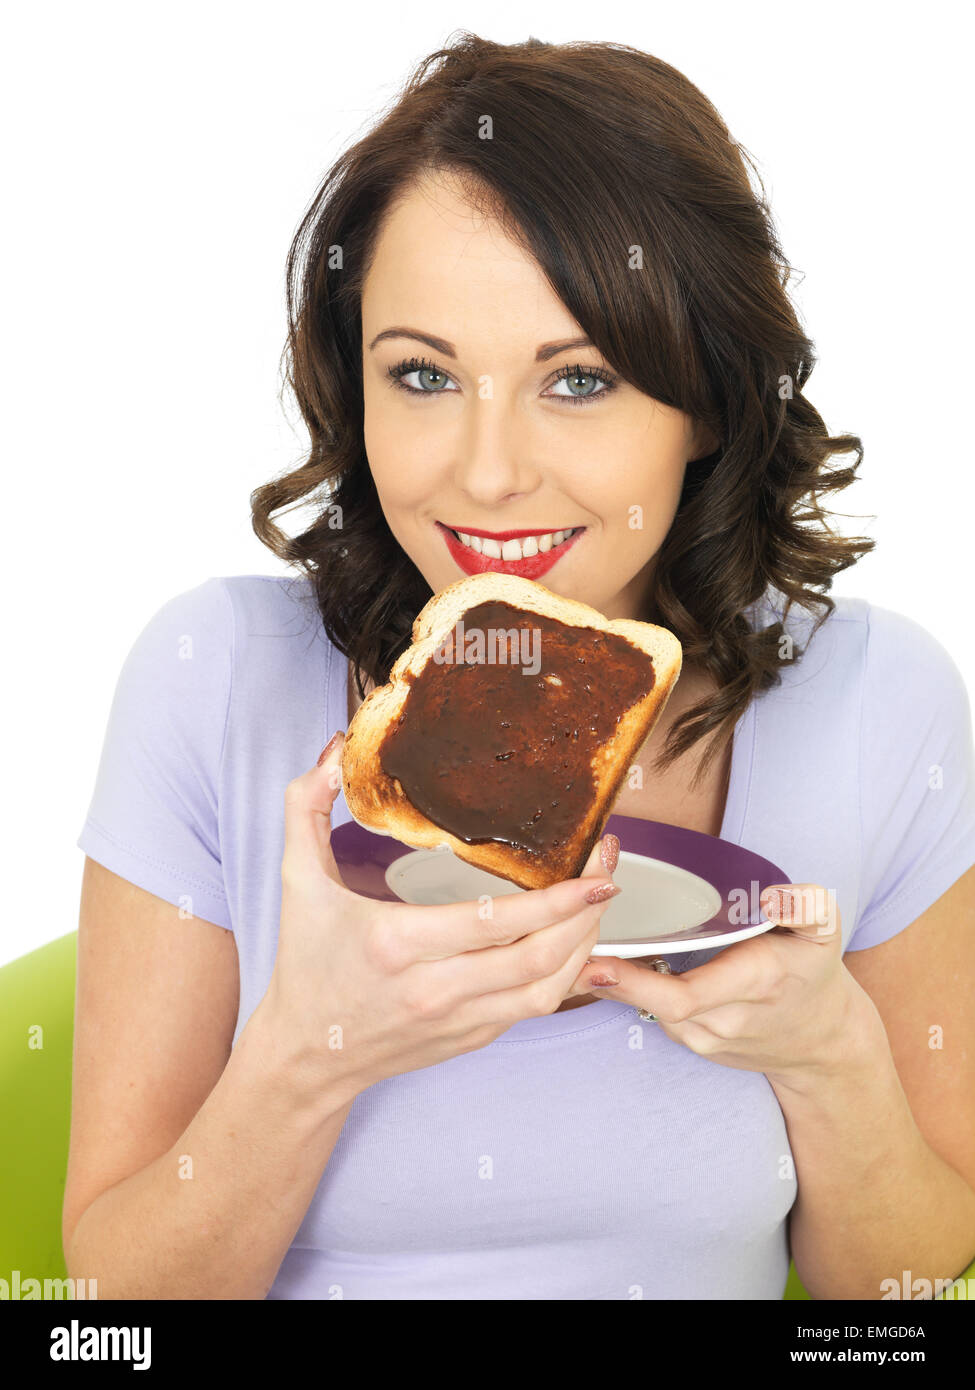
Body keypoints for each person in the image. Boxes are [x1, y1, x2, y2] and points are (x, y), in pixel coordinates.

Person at [65, 33, 975, 1301]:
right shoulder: (211, 677)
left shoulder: (880, 702)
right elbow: (108, 1315)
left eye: (580, 380)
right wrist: (312, 1054)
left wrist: (834, 1061)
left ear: (706, 398)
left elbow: (902, 1294)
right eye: (423, 374)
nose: (485, 473)